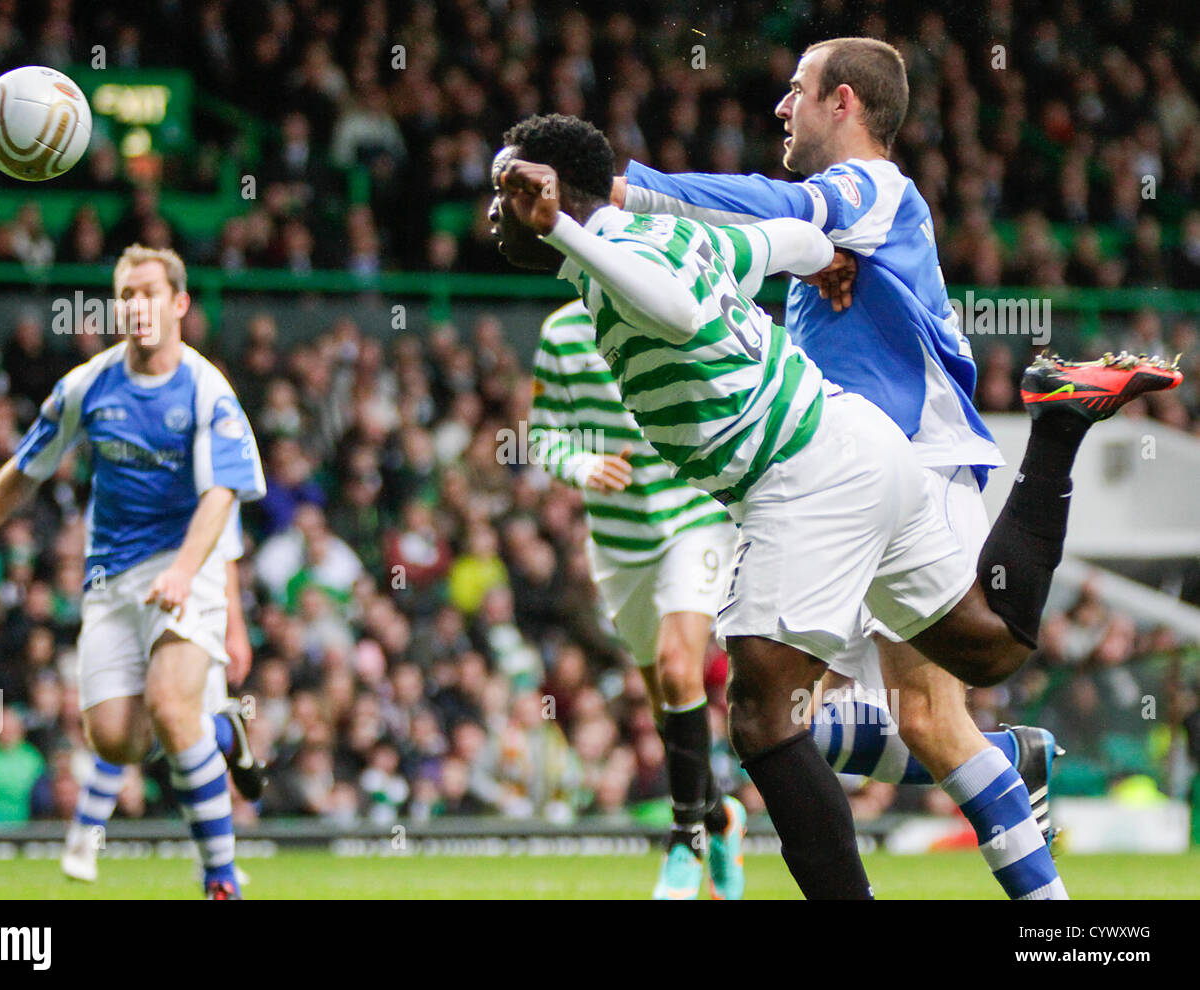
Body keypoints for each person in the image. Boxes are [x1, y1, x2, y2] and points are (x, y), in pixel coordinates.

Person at [490, 112, 1180, 899]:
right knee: (985, 647)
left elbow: (678, 311)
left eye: (504, 189)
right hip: (861, 448)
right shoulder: (654, 250)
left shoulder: (622, 252)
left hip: (803, 475)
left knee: (759, 715)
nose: (494, 209)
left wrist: (570, 233)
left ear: (550, 196)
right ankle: (1054, 433)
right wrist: (826, 259)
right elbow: (781, 243)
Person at [614, 37, 1074, 894]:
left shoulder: (870, 188)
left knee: (854, 717)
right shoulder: (841, 222)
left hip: (905, 462)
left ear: (845, 104)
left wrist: (624, 190)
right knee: (902, 721)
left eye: (797, 90)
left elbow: (763, 207)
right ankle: (1029, 817)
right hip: (855, 468)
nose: (780, 108)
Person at [0, 244, 267, 900]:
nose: (137, 307)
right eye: (126, 295)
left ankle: (221, 880)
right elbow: (26, 468)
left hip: (184, 564)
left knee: (171, 709)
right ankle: (222, 728)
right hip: (111, 577)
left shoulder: (208, 391)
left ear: (179, 304)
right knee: (114, 741)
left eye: (149, 294)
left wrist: (185, 570)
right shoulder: (87, 386)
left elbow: (220, 497)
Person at [530, 297, 746, 899]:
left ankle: (685, 841)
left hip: (694, 517)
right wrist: (582, 463)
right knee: (663, 700)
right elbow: (544, 436)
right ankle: (718, 816)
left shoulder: (668, 306)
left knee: (683, 670)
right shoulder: (562, 334)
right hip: (620, 544)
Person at [60, 504, 262, 884]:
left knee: (184, 733)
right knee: (124, 724)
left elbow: (226, 554)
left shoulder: (214, 469)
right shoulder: (128, 463)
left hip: (195, 607)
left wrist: (234, 627)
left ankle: (215, 865)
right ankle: (86, 835)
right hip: (130, 602)